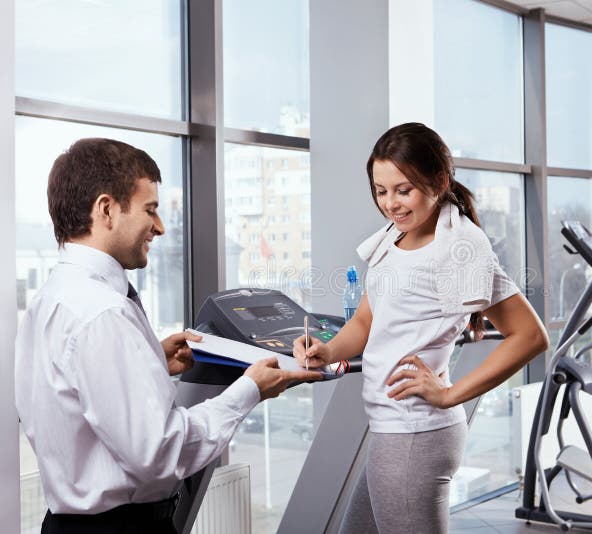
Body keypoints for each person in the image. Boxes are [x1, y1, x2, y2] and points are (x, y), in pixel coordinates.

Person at [15, 138, 320, 534]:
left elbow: (70, 391)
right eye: (151, 210)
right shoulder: (103, 313)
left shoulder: (52, 299)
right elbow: (158, 453)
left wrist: (151, 360)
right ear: (106, 209)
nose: (158, 227)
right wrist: (249, 390)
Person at [293, 123, 549, 533]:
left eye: (403, 189)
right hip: (392, 430)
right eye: (381, 191)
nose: (391, 203)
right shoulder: (394, 238)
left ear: (439, 180)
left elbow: (530, 336)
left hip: (414, 434)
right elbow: (365, 320)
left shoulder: (459, 247)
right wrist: (326, 350)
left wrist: (449, 395)